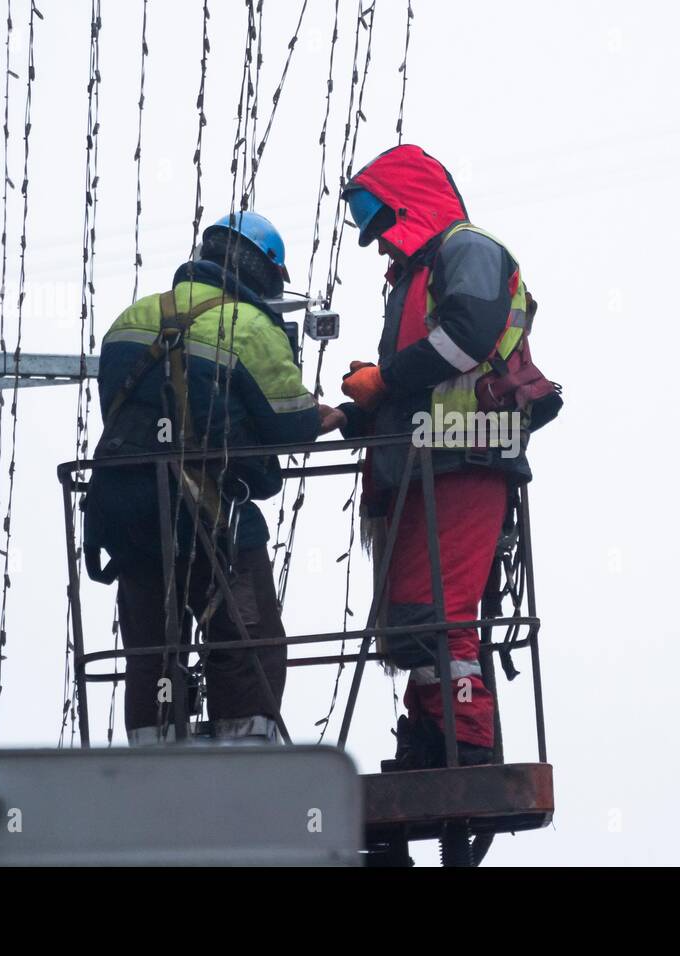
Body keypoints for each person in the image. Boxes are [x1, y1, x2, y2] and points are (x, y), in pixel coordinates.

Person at [328, 144, 539, 768]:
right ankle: (430, 735)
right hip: (428, 464)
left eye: (381, 229)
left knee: (436, 614)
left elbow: (467, 338)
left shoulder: (466, 250)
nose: (379, 247)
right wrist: (353, 411)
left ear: (407, 207)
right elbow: (427, 369)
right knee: (411, 620)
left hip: (464, 460)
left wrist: (385, 382)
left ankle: (466, 742)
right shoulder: (420, 273)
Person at [84, 211, 327, 745]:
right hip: (207, 512)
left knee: (150, 643)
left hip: (123, 506)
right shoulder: (250, 325)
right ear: (263, 269)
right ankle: (245, 752)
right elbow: (293, 424)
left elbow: (120, 412)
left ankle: (153, 756)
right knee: (248, 637)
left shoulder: (131, 317)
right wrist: (329, 415)